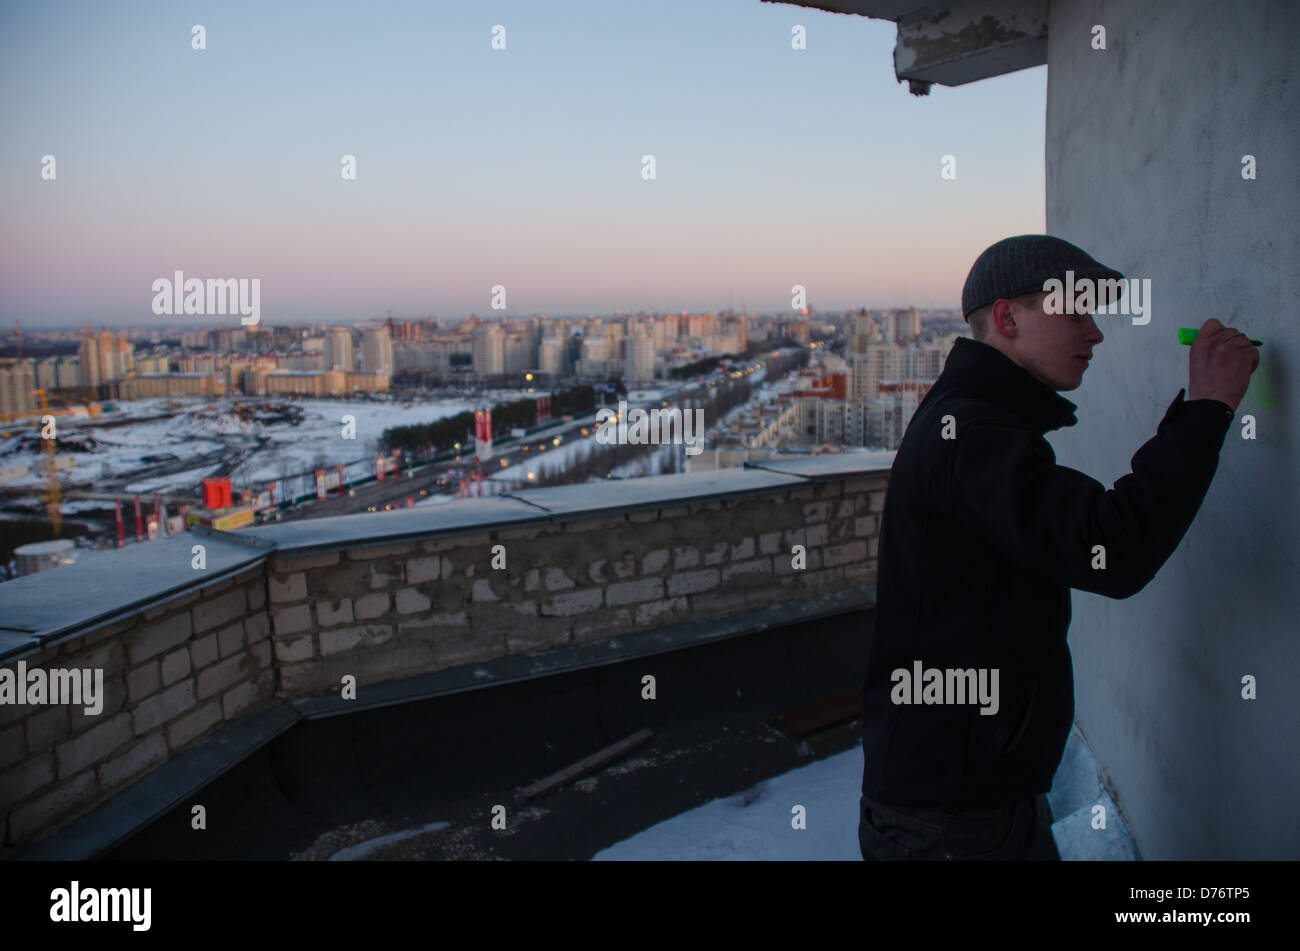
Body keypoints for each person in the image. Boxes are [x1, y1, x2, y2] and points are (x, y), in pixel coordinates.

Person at [857, 234, 1259, 860]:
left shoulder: (971, 419)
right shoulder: (972, 433)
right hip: (951, 819)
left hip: (966, 795)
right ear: (1007, 317)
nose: (1095, 333)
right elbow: (1110, 546)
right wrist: (1207, 408)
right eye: (1076, 311)